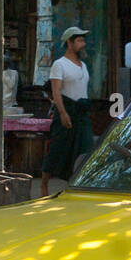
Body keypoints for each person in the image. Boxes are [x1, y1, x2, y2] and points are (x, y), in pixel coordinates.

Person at [40, 26, 94, 196]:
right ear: (69, 43)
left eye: (83, 40)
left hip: (82, 113)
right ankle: (43, 185)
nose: (83, 44)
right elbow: (56, 92)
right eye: (79, 40)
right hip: (66, 110)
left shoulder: (83, 65)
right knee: (57, 149)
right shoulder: (59, 64)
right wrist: (62, 113)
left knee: (86, 149)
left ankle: (80, 187)